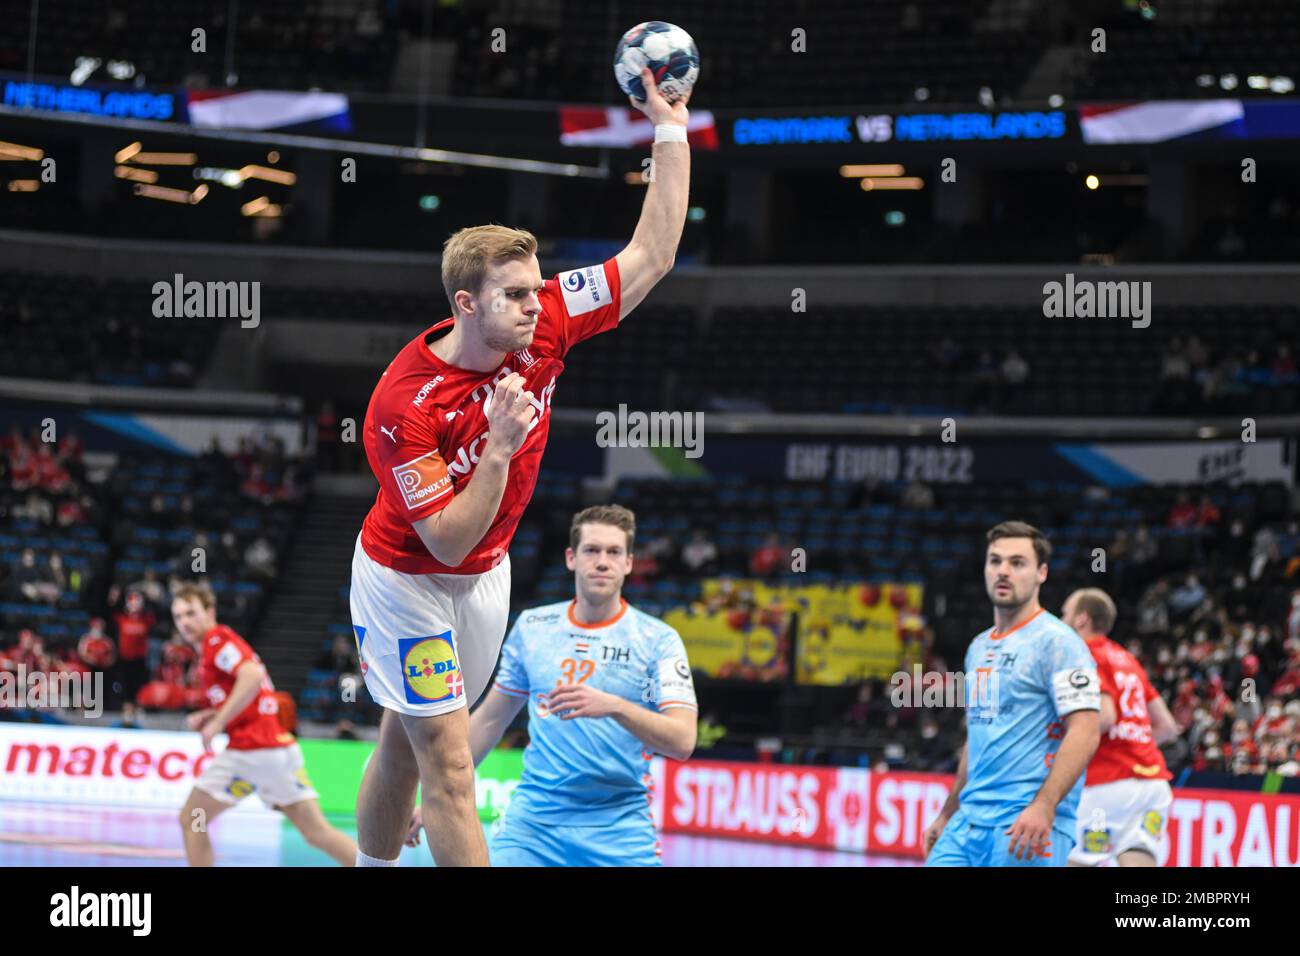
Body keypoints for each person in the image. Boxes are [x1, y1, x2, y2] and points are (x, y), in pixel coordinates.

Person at [348, 69, 692, 867]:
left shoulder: (545, 322)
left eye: (538, 291)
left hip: (487, 572)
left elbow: (654, 254)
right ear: (467, 304)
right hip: (408, 577)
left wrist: (668, 128)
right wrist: (499, 445)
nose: (537, 307)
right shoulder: (404, 408)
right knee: (452, 761)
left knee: (405, 737)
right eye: (515, 296)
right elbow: (441, 540)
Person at [404, 505, 697, 865]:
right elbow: (492, 720)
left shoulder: (659, 641)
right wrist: (435, 795)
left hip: (619, 829)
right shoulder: (533, 627)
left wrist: (616, 706)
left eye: (613, 552)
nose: (602, 562)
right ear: (571, 558)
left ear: (629, 563)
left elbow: (683, 741)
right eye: (592, 550)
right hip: (533, 826)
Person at [924, 521, 1100, 867]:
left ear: (1041, 573)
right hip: (968, 823)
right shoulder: (978, 647)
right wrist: (948, 812)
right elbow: (976, 737)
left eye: (1017, 563)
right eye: (995, 561)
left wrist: (1044, 806)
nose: (1003, 571)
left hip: (1025, 823)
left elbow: (1086, 730)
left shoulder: (1060, 643)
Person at [171, 582, 356, 867]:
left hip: (251, 752)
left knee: (191, 818)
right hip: (278, 752)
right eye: (178, 616)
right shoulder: (218, 645)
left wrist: (217, 723)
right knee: (317, 833)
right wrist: (211, 715)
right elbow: (254, 694)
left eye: (191, 613)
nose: (184, 622)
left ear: (210, 611)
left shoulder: (217, 642)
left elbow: (252, 675)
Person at [1060, 588, 1179, 867]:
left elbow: (1104, 717)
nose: (1060, 619)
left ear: (1081, 619)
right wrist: (1132, 742)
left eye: (1065, 613)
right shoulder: (1127, 659)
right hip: (1153, 784)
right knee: (1136, 856)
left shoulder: (1083, 653)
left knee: (1077, 860)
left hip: (1109, 782)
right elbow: (1168, 726)